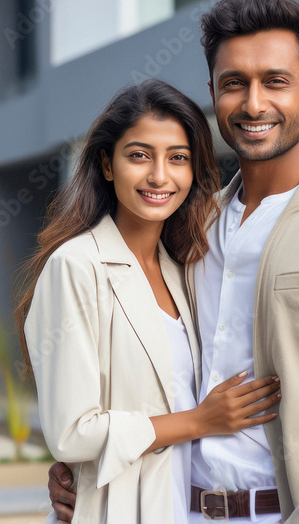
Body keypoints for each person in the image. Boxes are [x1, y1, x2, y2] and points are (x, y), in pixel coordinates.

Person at [47, 0, 299, 523]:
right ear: (213, 94)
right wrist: (85, 467)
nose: (253, 104)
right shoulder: (189, 230)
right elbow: (145, 376)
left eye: (276, 81)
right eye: (235, 84)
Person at [17, 79, 282, 523]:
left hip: (184, 505)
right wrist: (200, 420)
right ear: (107, 164)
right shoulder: (77, 266)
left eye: (177, 158)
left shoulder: (185, 267)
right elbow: (72, 433)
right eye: (139, 155)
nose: (160, 176)